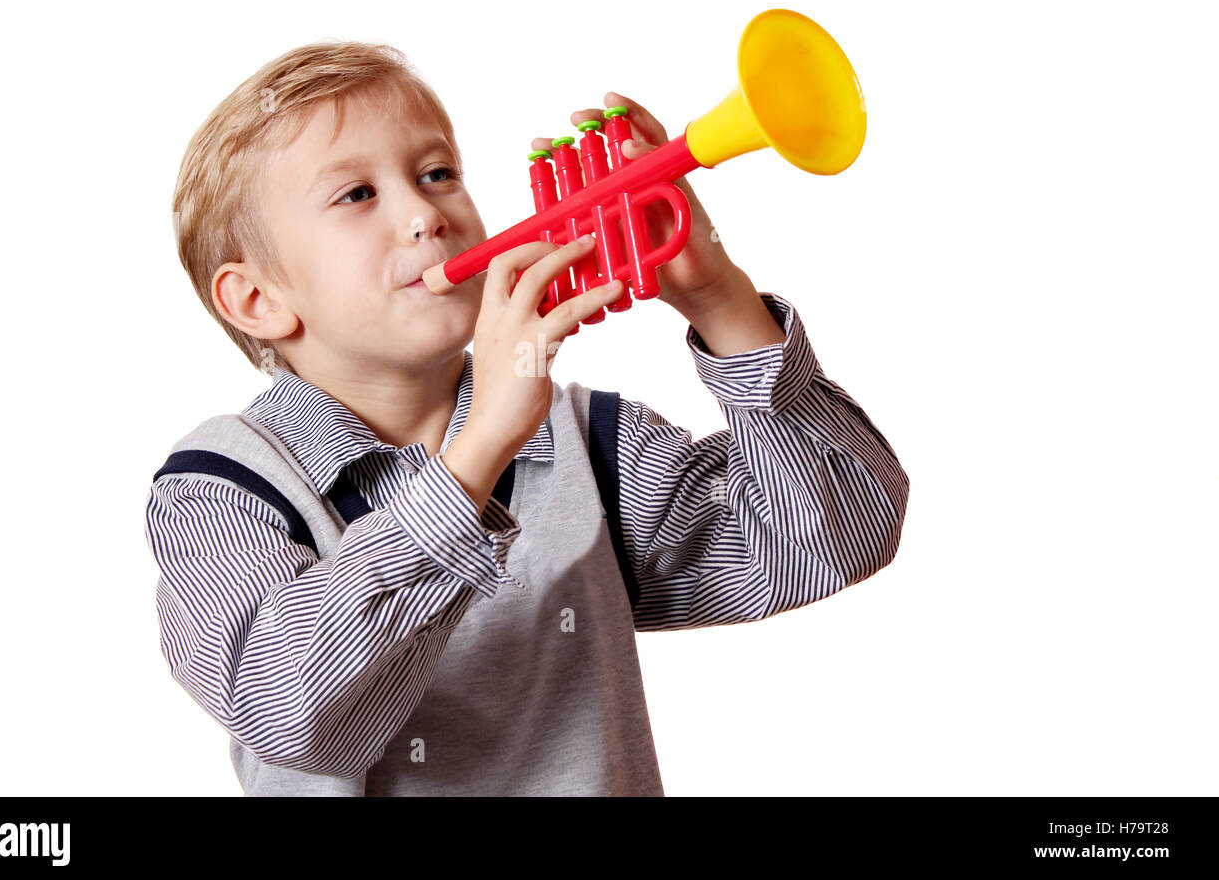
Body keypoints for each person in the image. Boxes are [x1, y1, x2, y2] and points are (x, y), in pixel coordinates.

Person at [143, 40, 910, 796]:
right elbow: (297, 717)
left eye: (437, 174)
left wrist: (719, 300)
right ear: (258, 301)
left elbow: (841, 534)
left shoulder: (586, 441)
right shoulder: (218, 488)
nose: (424, 214)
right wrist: (477, 453)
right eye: (357, 195)